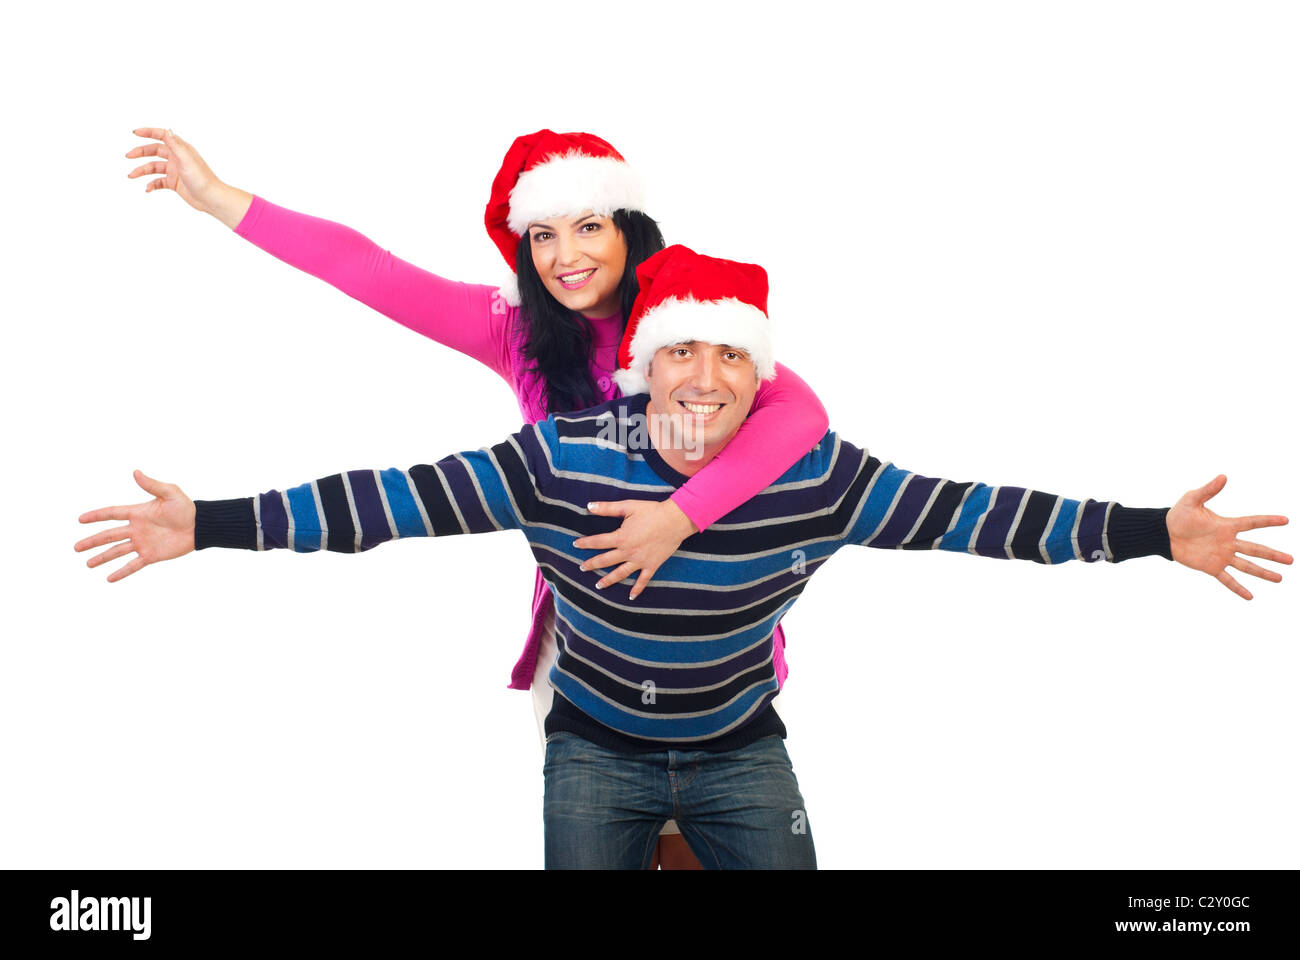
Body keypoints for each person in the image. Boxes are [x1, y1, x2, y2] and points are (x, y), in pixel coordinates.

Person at [76, 244, 1292, 868]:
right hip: (593, 749)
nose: (703, 377)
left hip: (735, 749)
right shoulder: (562, 456)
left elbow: (980, 517)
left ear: (759, 378)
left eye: (730, 357)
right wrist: (212, 522)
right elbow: (387, 503)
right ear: (641, 363)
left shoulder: (813, 475)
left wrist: (1150, 534)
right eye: (680, 352)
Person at [123, 127, 829, 868]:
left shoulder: (689, 325)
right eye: (544, 236)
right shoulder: (516, 330)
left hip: (713, 633)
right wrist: (215, 198)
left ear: (628, 229)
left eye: (589, 227)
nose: (567, 257)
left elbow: (802, 416)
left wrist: (676, 519)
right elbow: (366, 270)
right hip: (588, 640)